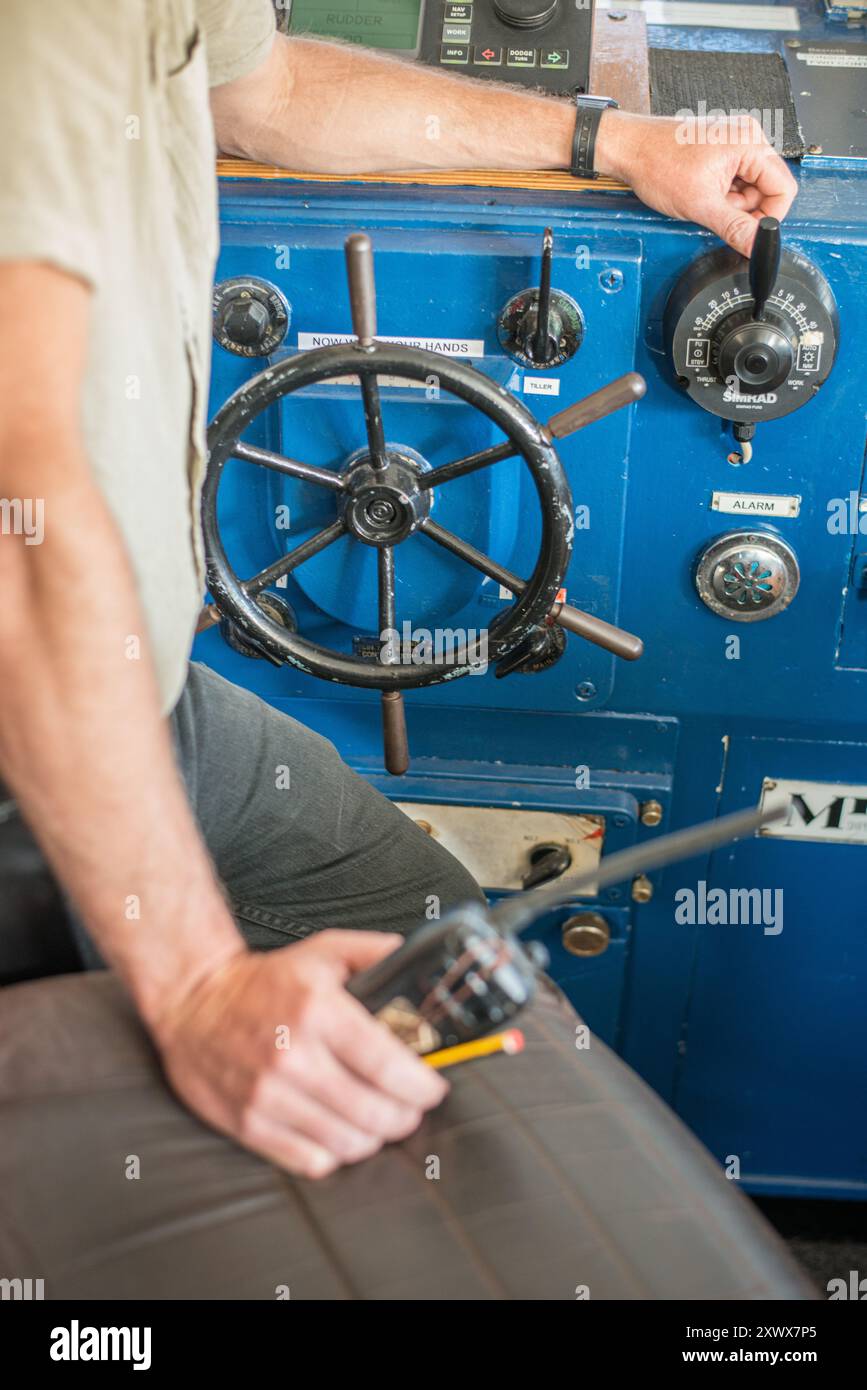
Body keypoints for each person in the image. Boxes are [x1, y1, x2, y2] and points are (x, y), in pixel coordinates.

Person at [0, 0, 797, 1181]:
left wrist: (613, 143)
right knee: (192, 1105)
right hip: (33, 723)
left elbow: (263, 92)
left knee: (413, 920)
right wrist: (200, 986)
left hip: (149, 688)